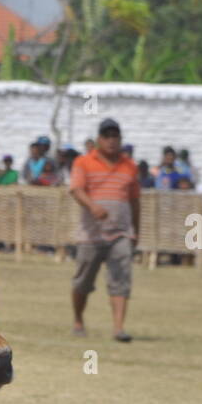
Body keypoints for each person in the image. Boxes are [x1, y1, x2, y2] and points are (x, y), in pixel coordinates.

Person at [68, 118, 139, 342]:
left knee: (121, 280)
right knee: (83, 281)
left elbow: (135, 200)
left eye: (115, 136)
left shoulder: (130, 165)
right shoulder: (84, 162)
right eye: (106, 136)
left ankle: (119, 328)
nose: (111, 140)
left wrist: (135, 230)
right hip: (91, 234)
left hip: (121, 233)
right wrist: (92, 206)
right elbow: (76, 190)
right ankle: (78, 319)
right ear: (99, 139)